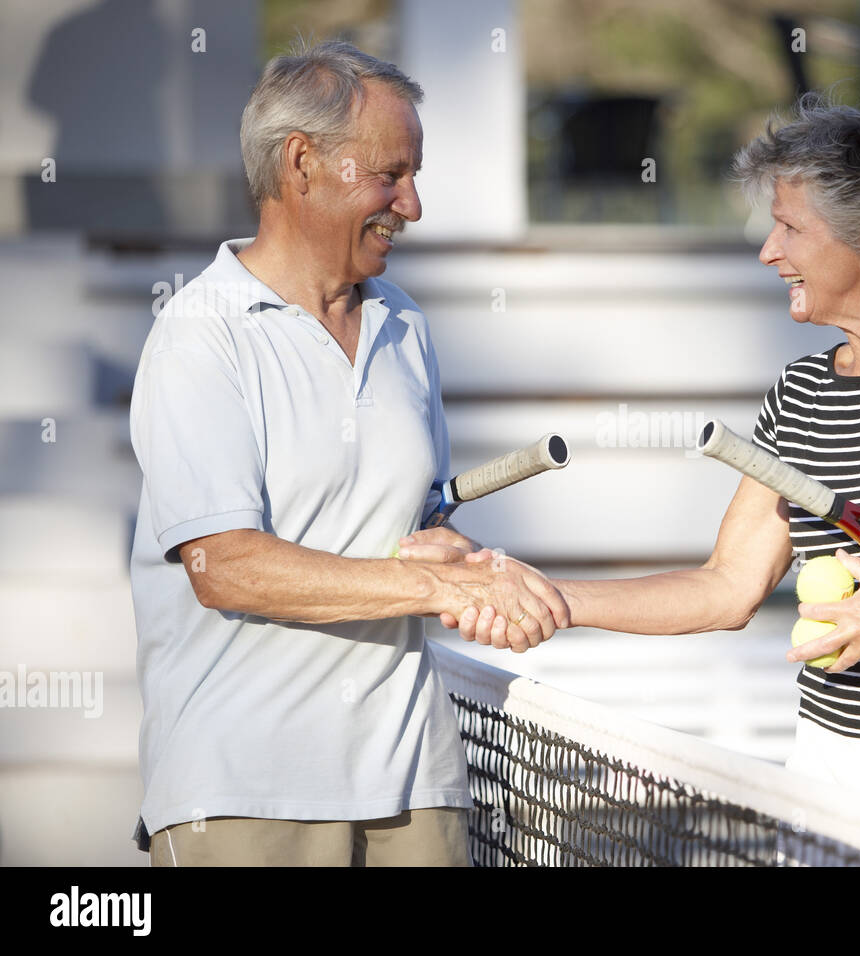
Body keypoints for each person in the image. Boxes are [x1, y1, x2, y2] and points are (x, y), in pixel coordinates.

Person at [448, 99, 860, 865]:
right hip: (836, 774)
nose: (768, 251)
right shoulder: (798, 398)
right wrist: (548, 598)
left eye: (791, 228)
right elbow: (725, 587)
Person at [128, 39, 569, 867]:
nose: (413, 205)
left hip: (416, 784)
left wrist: (455, 556)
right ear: (300, 165)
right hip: (241, 795)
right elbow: (226, 566)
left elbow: (405, 530)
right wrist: (433, 582)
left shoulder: (406, 322)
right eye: (390, 175)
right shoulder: (198, 333)